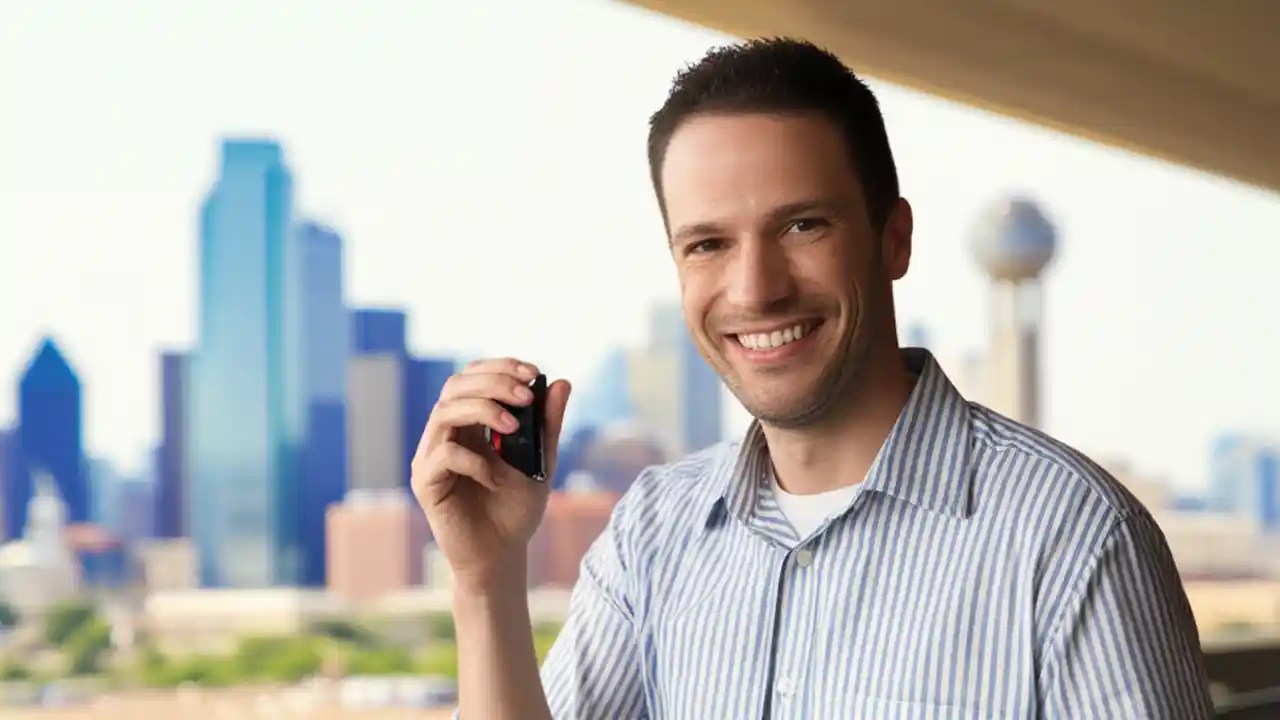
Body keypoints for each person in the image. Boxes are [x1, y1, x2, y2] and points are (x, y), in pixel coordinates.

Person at [412, 38, 1212, 719]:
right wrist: (485, 580)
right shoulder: (651, 536)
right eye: (708, 245)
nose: (755, 289)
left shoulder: (1071, 538)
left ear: (892, 238)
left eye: (802, 225)